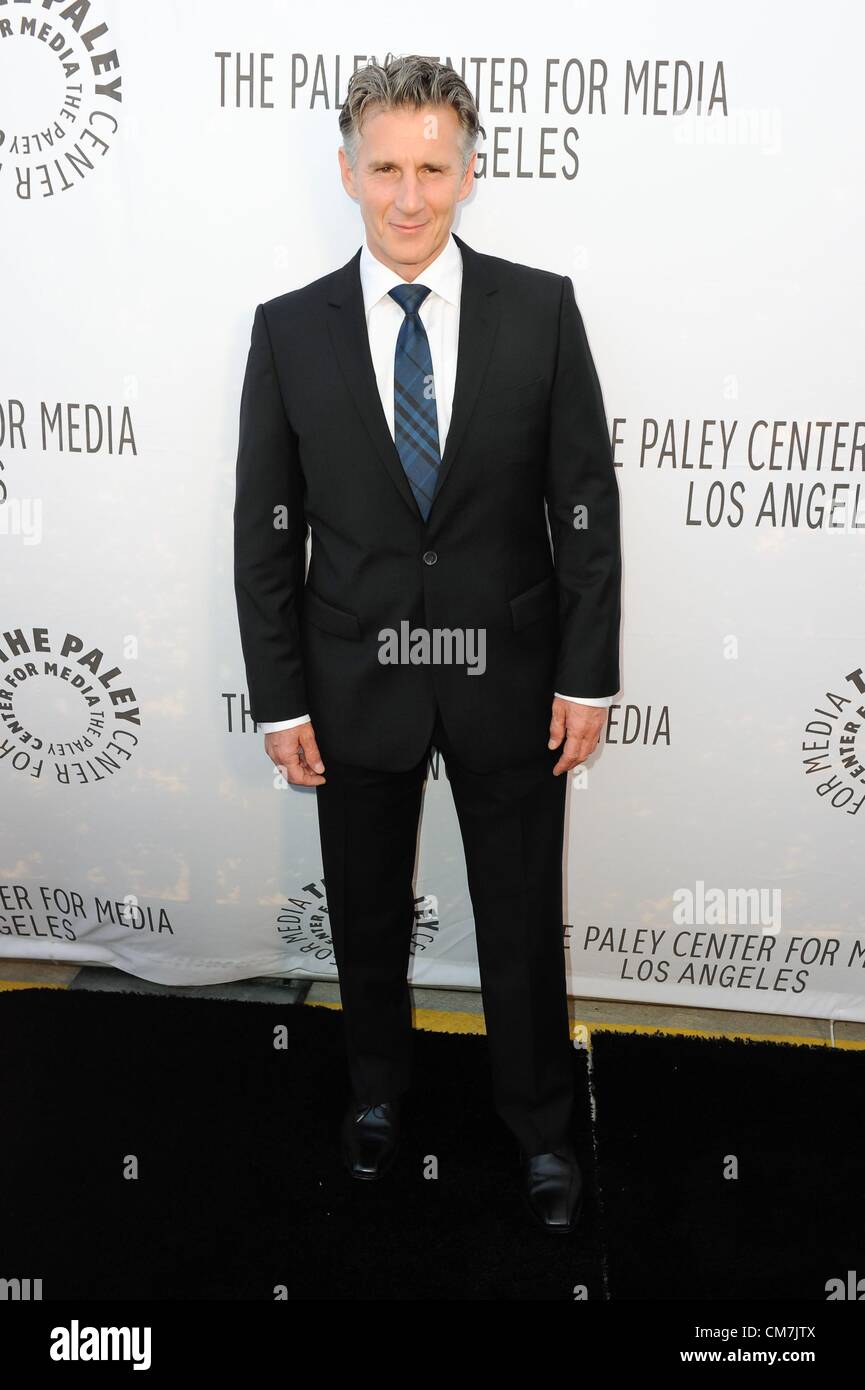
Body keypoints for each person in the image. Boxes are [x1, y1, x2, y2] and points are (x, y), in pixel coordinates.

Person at [233, 54, 621, 1234]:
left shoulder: (541, 308)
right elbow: (265, 525)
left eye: (433, 168)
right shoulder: (289, 329)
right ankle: (373, 1095)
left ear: (468, 170)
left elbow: (584, 506)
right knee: (361, 910)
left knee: (518, 911)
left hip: (510, 675)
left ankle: (541, 1127)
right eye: (386, 168)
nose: (409, 196)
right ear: (347, 169)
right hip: (353, 681)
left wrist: (587, 672)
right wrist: (279, 699)